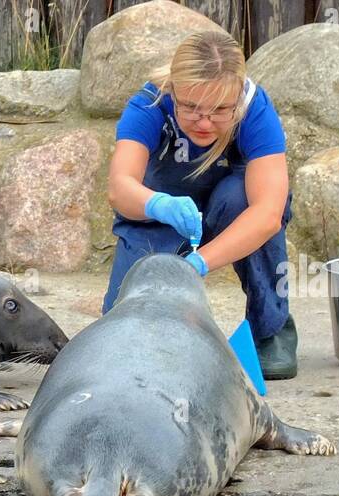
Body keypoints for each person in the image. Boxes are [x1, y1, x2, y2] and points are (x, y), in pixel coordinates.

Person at [104, 30, 297, 380]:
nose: (205, 122)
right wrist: (157, 205)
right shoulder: (148, 104)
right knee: (123, 339)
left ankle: (272, 326)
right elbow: (120, 188)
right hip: (160, 218)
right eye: (191, 108)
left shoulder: (255, 108)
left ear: (237, 96)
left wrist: (197, 264)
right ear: (174, 90)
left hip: (229, 209)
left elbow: (268, 213)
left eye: (220, 110)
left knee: (243, 200)